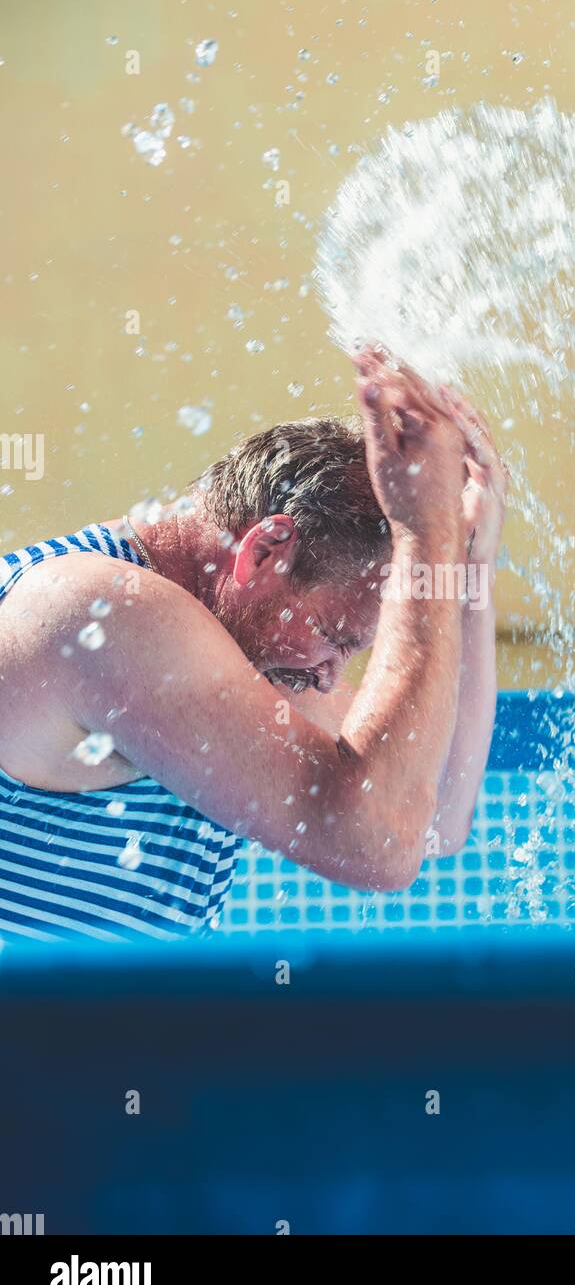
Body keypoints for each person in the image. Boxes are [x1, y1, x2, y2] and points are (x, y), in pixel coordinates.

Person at [0, 348, 507, 941]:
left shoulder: (243, 645)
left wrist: (469, 567)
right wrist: (425, 534)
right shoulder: (100, 613)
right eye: (334, 637)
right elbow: (376, 842)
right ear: (265, 551)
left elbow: (435, 815)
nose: (329, 677)